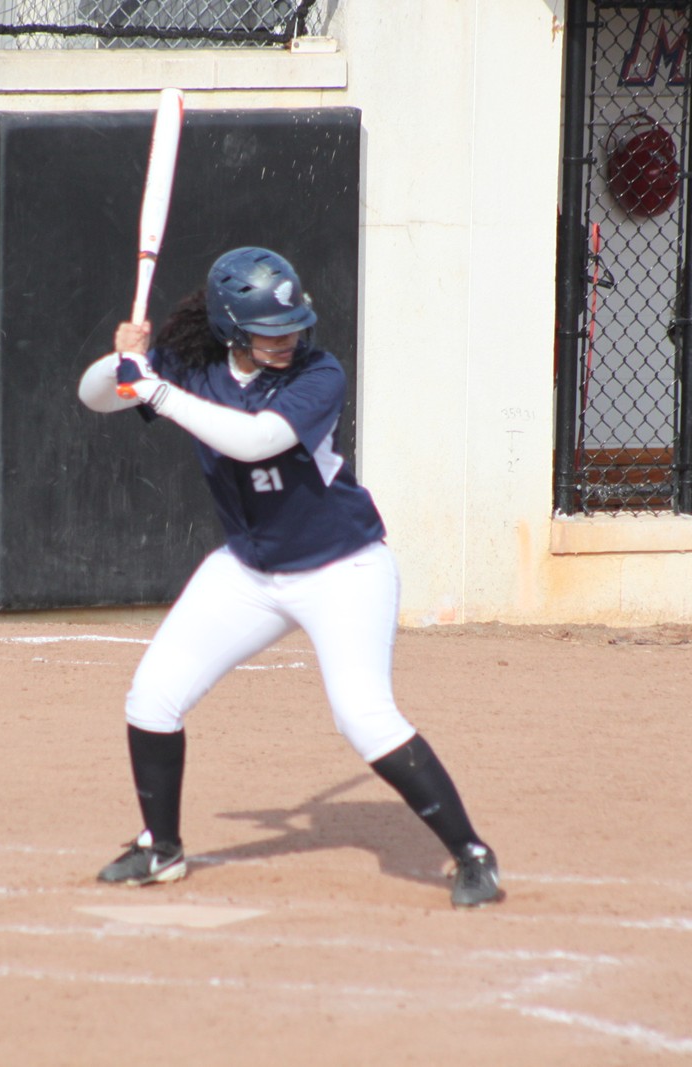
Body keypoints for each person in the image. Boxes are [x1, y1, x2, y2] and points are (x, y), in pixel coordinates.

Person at [75, 246, 502, 909]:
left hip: (343, 569)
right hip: (250, 569)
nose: (285, 340)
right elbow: (95, 396)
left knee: (362, 716)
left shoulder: (319, 374)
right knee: (151, 697)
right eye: (269, 331)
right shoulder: (193, 364)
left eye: (292, 325)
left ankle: (472, 853)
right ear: (229, 330)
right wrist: (123, 359)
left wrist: (154, 387)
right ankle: (161, 846)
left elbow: (254, 440)